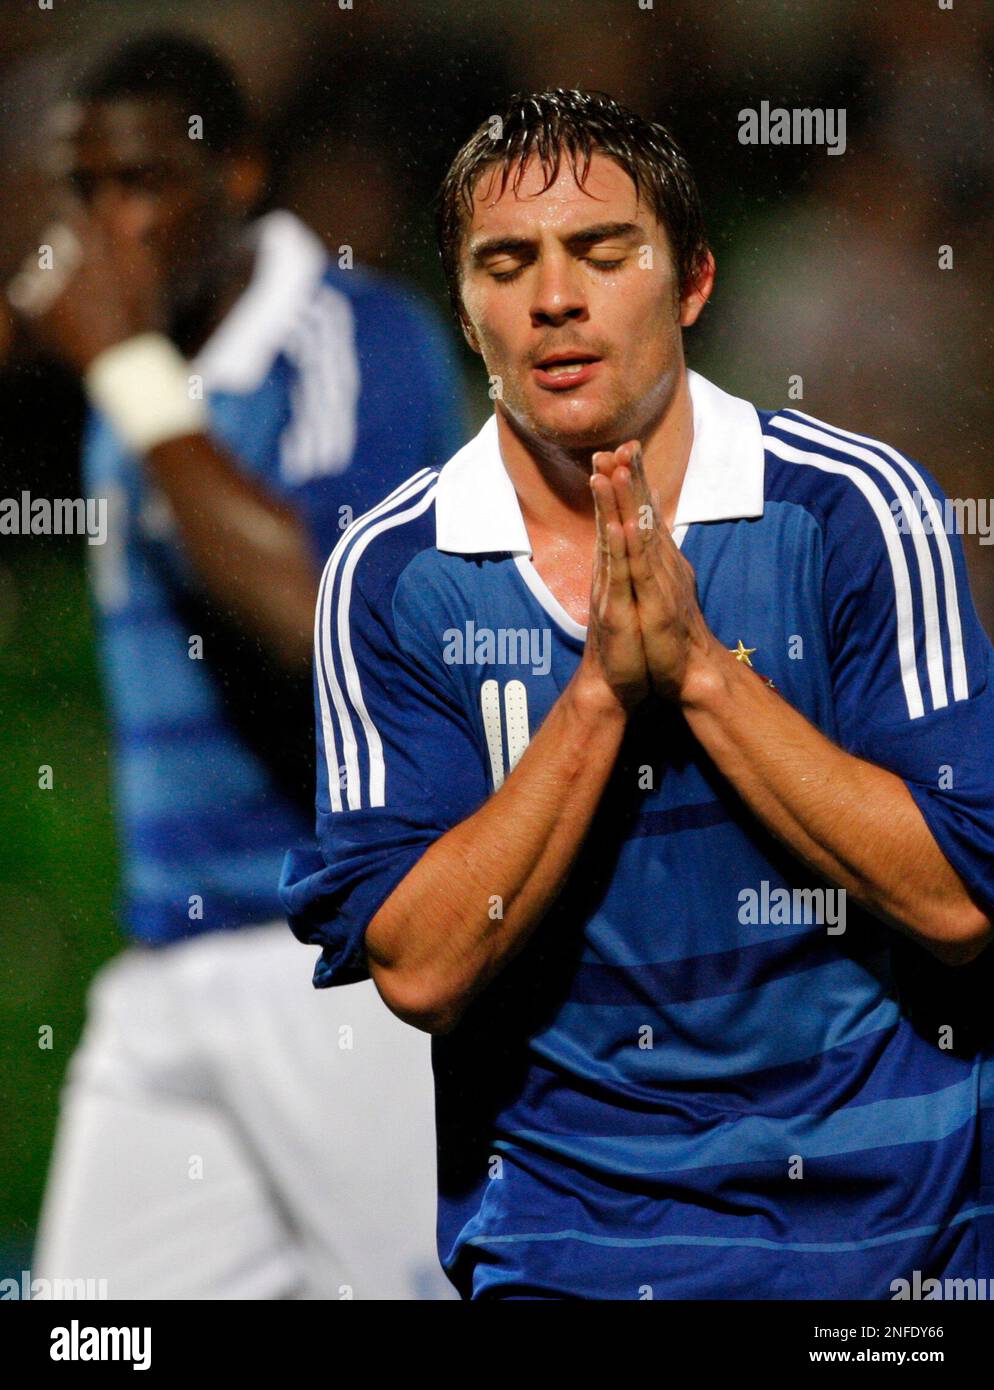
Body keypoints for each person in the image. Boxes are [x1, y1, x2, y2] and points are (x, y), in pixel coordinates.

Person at [281, 89, 994, 1301]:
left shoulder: (853, 511)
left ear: (694, 282)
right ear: (465, 308)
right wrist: (602, 700)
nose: (554, 296)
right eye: (505, 263)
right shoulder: (394, 573)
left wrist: (705, 677)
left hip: (895, 1245)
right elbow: (419, 969)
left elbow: (963, 894)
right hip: (572, 1245)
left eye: (602, 253)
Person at [17, 32, 462, 1300]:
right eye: (82, 189)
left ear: (244, 175)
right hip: (168, 961)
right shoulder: (135, 364)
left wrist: (128, 374)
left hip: (333, 961)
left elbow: (324, 624)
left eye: (144, 182)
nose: (110, 226)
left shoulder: (352, 340)